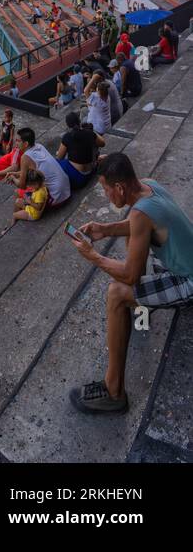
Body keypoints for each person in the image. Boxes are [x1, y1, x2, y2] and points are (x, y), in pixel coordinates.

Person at [67, 154, 193, 414]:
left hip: (188, 279)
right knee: (131, 243)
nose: (106, 195)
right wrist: (106, 229)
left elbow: (129, 276)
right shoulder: (149, 185)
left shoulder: (140, 215)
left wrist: (93, 255)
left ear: (120, 187)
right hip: (183, 259)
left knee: (116, 293)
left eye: (105, 189)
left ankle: (113, 392)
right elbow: (140, 225)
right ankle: (136, 308)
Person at [0, 127, 71, 210]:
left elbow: (22, 185)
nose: (15, 144)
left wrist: (13, 178)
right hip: (66, 189)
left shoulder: (25, 157)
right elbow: (29, 171)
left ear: (26, 144)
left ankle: (24, 212)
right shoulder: (39, 146)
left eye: (18, 141)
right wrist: (15, 174)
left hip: (57, 198)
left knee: (18, 193)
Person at [56, 111, 105, 190]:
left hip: (78, 179)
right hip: (90, 171)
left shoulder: (67, 137)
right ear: (79, 121)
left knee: (55, 162)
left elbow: (59, 158)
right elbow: (102, 143)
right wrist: (91, 131)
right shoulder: (89, 133)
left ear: (68, 126)